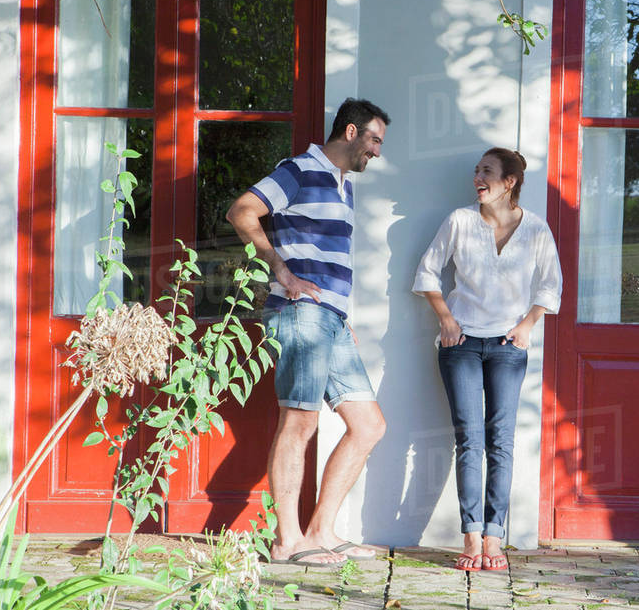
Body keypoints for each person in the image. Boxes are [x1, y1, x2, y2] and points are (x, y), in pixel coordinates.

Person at [226, 97, 391, 567]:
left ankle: (322, 531)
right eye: (375, 140)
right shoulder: (299, 169)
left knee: (369, 426)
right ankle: (288, 542)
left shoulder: (345, 187)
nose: (377, 152)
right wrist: (282, 272)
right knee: (300, 421)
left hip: (330, 320)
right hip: (299, 314)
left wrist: (341, 316)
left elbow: (327, 257)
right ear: (352, 132)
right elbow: (242, 211)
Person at [412, 147, 562, 572]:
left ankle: (495, 538)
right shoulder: (459, 221)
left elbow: (551, 285)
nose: (478, 178)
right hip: (460, 344)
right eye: (477, 171)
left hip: (508, 347)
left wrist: (529, 324)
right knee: (470, 440)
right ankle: (471, 536)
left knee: (501, 441)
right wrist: (446, 319)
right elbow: (427, 273)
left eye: (487, 172)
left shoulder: (535, 229)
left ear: (509, 182)